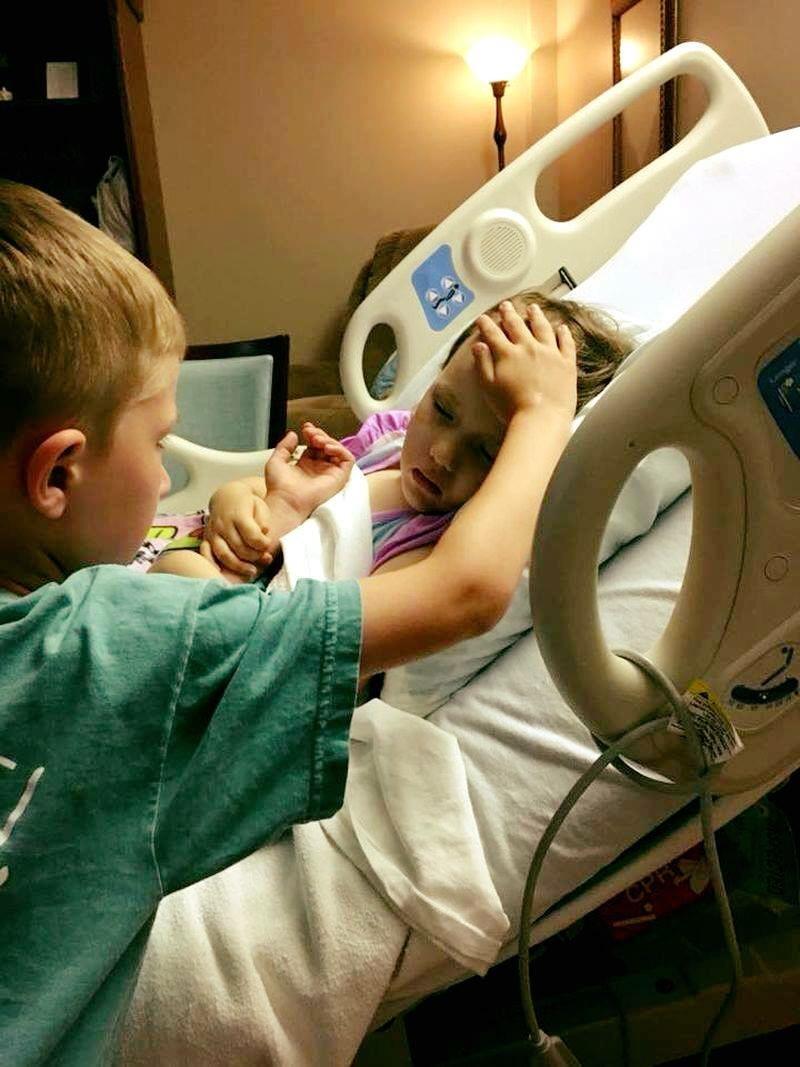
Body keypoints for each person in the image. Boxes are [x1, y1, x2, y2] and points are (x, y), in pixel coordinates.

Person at [0, 180, 577, 1066]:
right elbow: (466, 594)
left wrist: (272, 510)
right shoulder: (126, 641)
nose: (166, 482)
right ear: (55, 478)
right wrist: (544, 419)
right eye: (160, 446)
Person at [156, 290, 631, 584]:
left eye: (488, 451)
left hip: (258, 617)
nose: (443, 453)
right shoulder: (387, 444)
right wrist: (233, 503)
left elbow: (339, 637)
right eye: (443, 408)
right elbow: (265, 490)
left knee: (177, 579)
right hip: (219, 561)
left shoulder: (434, 542)